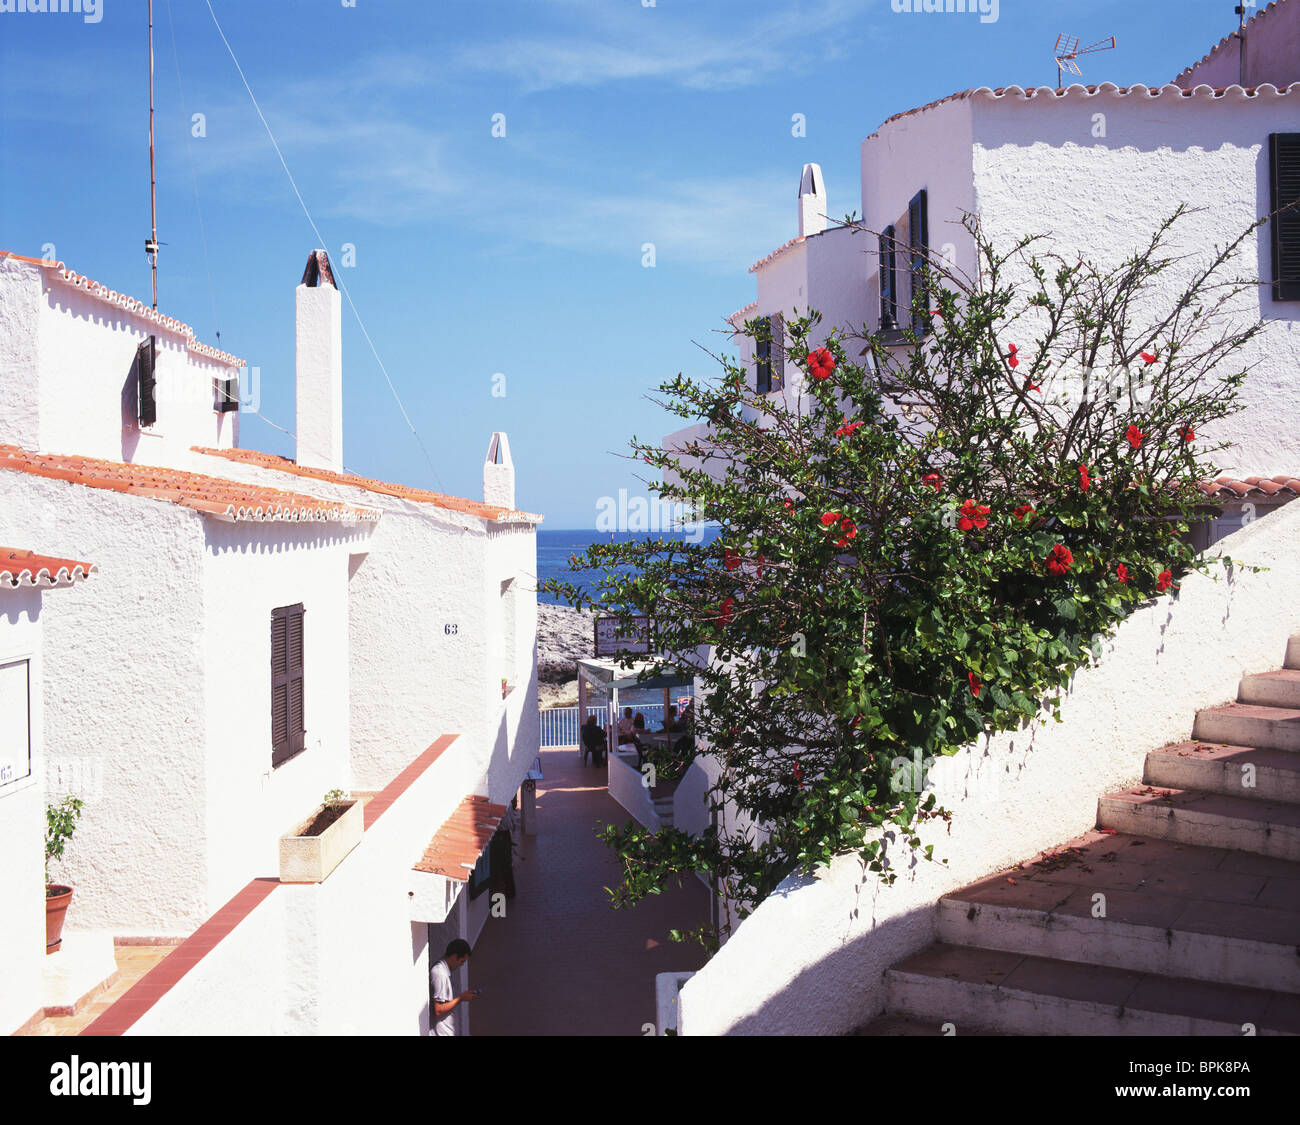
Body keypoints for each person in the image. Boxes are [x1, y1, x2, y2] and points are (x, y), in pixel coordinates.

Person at [430, 938, 476, 1036]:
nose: (461, 965)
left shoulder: (443, 971)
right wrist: (460, 998)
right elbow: (438, 1009)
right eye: (462, 961)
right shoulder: (440, 973)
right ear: (454, 956)